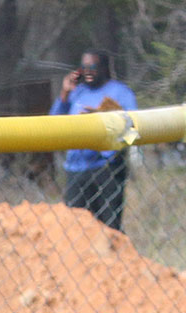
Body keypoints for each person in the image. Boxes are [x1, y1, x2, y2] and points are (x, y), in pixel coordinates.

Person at [50, 49, 138, 232]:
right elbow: (53, 122)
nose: (88, 71)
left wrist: (102, 116)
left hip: (106, 168)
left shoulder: (121, 92)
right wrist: (65, 93)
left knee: (108, 227)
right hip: (76, 169)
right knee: (76, 229)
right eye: (84, 67)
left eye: (93, 66)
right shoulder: (77, 92)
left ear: (104, 68)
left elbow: (134, 127)